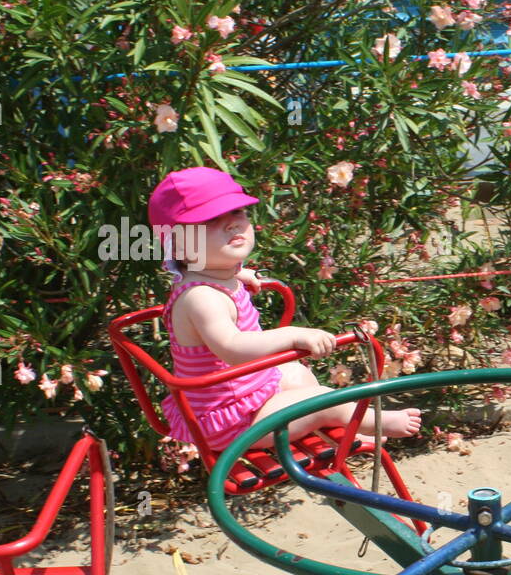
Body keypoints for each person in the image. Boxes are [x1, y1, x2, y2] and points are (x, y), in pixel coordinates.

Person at [147, 167, 421, 451]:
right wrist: (291, 335)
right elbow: (232, 347)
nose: (232, 224)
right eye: (213, 220)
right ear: (178, 245)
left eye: (237, 213)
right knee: (322, 399)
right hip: (231, 425)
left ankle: (342, 426)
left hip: (246, 398)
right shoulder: (202, 298)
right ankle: (367, 420)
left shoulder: (212, 274)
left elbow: (207, 275)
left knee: (297, 374)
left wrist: (240, 274)